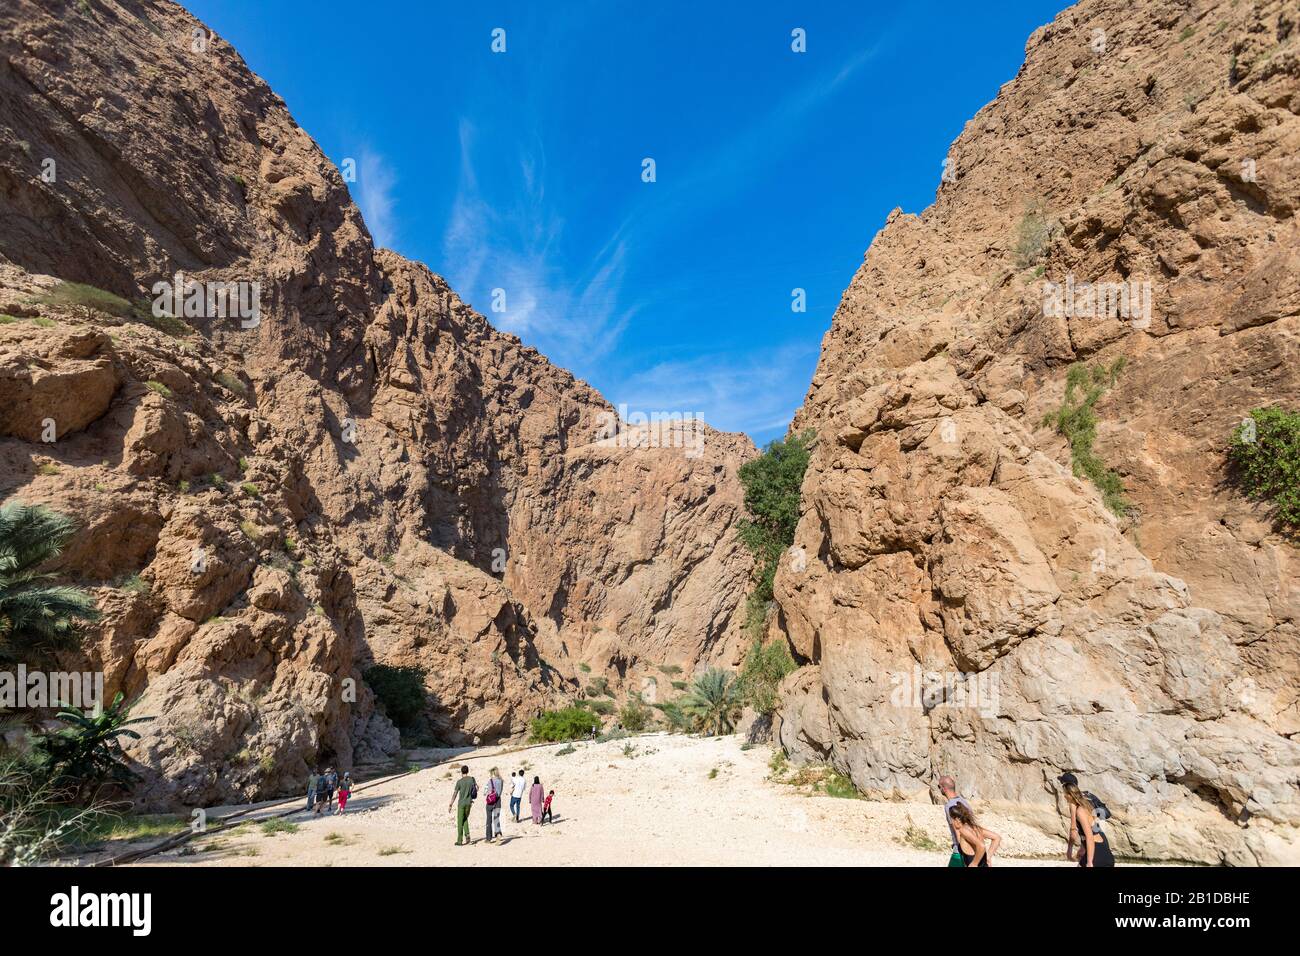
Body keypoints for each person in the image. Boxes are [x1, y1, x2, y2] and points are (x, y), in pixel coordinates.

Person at [1060, 773, 1116, 867]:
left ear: (1070, 793)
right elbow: (1094, 828)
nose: (1064, 796)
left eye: (1065, 793)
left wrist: (1089, 861)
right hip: (1103, 845)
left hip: (1096, 853)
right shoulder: (1087, 800)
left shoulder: (1077, 809)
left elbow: (1084, 834)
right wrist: (1083, 848)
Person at [949, 802, 1001, 867]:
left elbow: (981, 846)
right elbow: (997, 838)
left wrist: (974, 863)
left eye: (951, 819)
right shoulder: (974, 828)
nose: (951, 822)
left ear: (957, 819)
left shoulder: (964, 831)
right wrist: (988, 857)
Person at [937, 775, 973, 867]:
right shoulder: (964, 802)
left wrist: (962, 851)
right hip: (972, 847)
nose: (939, 789)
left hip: (960, 852)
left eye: (939, 787)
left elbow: (957, 830)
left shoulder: (949, 806)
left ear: (943, 788)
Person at [448, 765, 477, 846]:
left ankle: (459, 841)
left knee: (460, 821)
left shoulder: (459, 782)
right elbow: (477, 788)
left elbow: (455, 793)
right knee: (465, 819)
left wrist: (451, 804)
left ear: (461, 772)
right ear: (468, 771)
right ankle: (467, 835)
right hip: (469, 803)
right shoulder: (472, 779)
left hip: (461, 804)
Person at [485, 767, 504, 842]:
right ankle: (498, 834)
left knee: (488, 820)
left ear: (492, 773)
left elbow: (487, 792)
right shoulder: (501, 781)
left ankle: (488, 838)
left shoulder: (490, 781)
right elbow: (499, 792)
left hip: (490, 802)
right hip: (498, 800)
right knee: (496, 819)